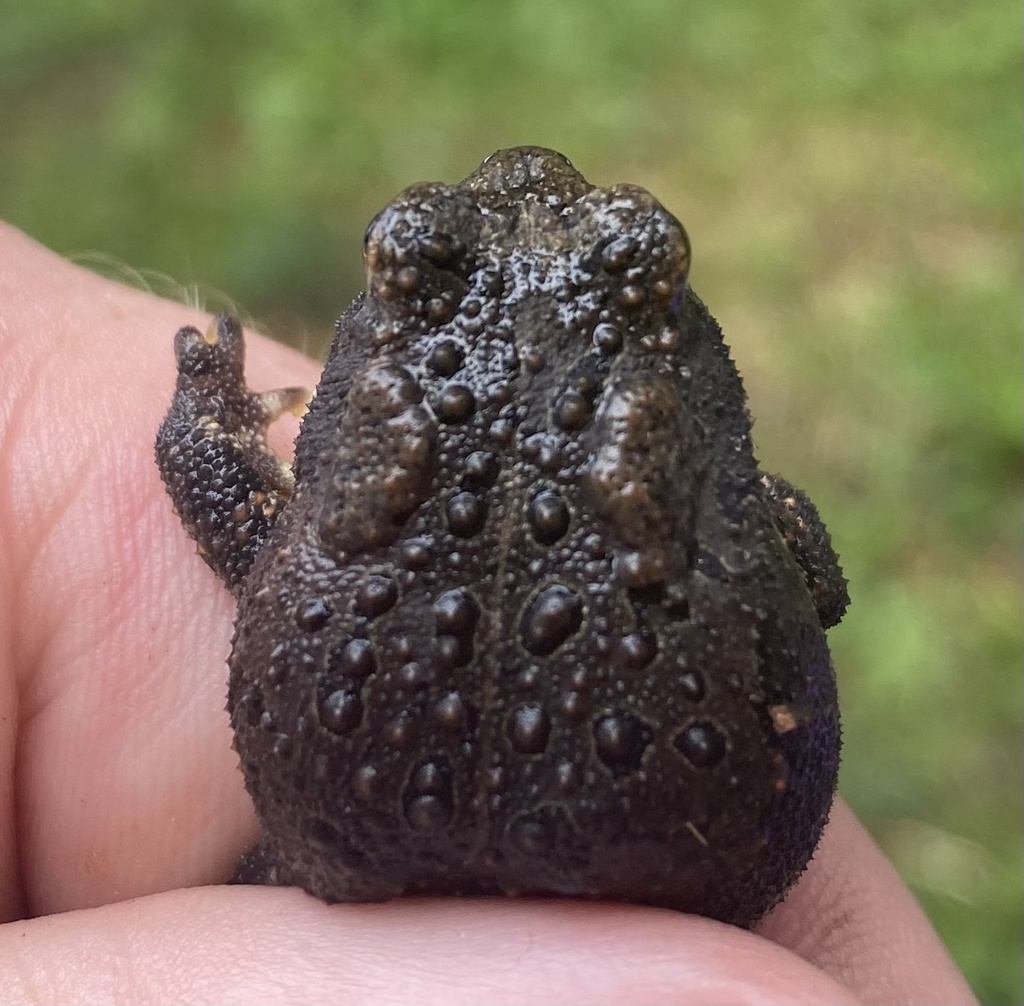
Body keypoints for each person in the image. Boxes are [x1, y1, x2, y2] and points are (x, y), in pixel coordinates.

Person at [0, 221, 976, 1004]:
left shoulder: (325, 539)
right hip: (689, 882)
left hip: (340, 861)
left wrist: (206, 406)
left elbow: (205, 470)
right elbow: (826, 587)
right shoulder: (729, 519)